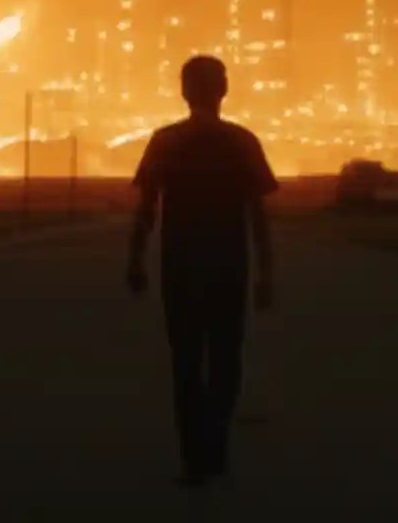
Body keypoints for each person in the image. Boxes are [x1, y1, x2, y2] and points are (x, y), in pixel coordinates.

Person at [127, 55, 278, 488]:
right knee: (227, 360)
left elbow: (146, 210)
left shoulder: (166, 142)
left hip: (180, 267)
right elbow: (259, 216)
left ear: (183, 91)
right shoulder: (241, 142)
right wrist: (266, 273)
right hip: (230, 266)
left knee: (186, 362)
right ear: (224, 90)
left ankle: (194, 456)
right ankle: (215, 447)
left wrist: (135, 260)